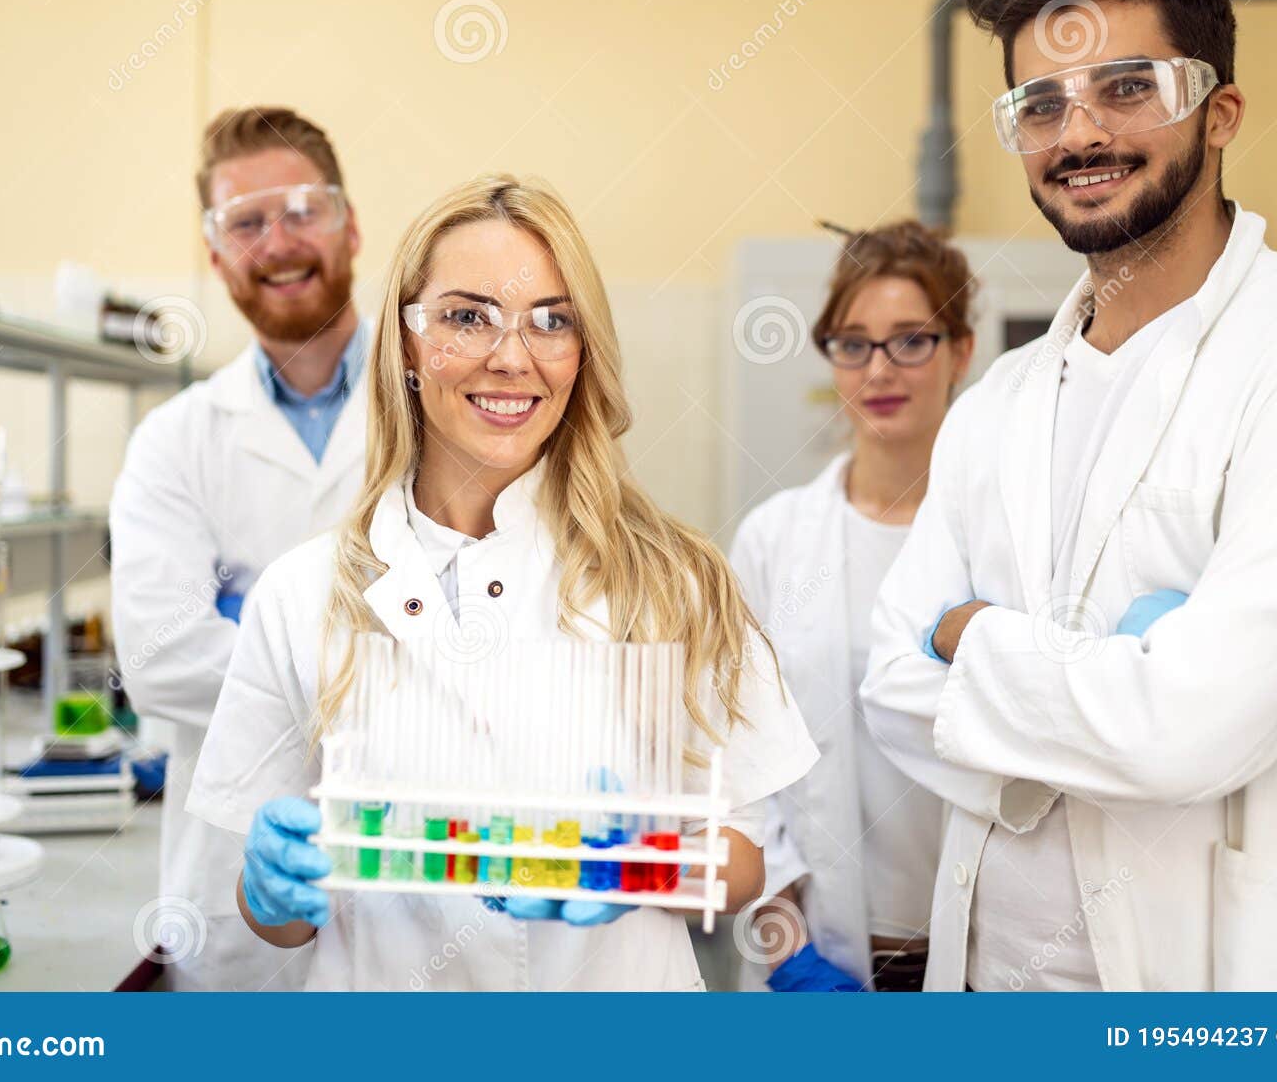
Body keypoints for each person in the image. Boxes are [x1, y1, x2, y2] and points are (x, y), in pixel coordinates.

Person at [860, 0, 1277, 991]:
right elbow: (889, 682)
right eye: (1041, 104)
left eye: (1126, 88)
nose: (1078, 133)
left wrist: (970, 637)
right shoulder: (998, 406)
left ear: (1219, 115)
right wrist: (1111, 694)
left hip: (1216, 989)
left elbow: (1188, 730)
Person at [183, 174, 819, 990]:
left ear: (582, 351)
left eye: (551, 320)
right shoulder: (302, 594)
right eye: (467, 316)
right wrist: (271, 881)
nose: (513, 357)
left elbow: (743, 861)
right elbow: (274, 917)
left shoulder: (678, 581)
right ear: (408, 345)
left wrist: (644, 863)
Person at [110, 107, 370, 990]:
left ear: (352, 224)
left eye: (303, 208)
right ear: (216, 255)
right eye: (245, 222)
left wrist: (252, 619)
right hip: (231, 904)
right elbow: (155, 660)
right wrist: (381, 655)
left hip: (417, 896)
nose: (278, 241)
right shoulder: (175, 440)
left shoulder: (447, 407)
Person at [731, 221, 973, 992]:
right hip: (820, 949)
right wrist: (786, 946)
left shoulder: (1003, 538)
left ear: (961, 351)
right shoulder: (776, 539)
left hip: (987, 954)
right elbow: (739, 758)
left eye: (912, 340)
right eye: (854, 342)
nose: (880, 369)